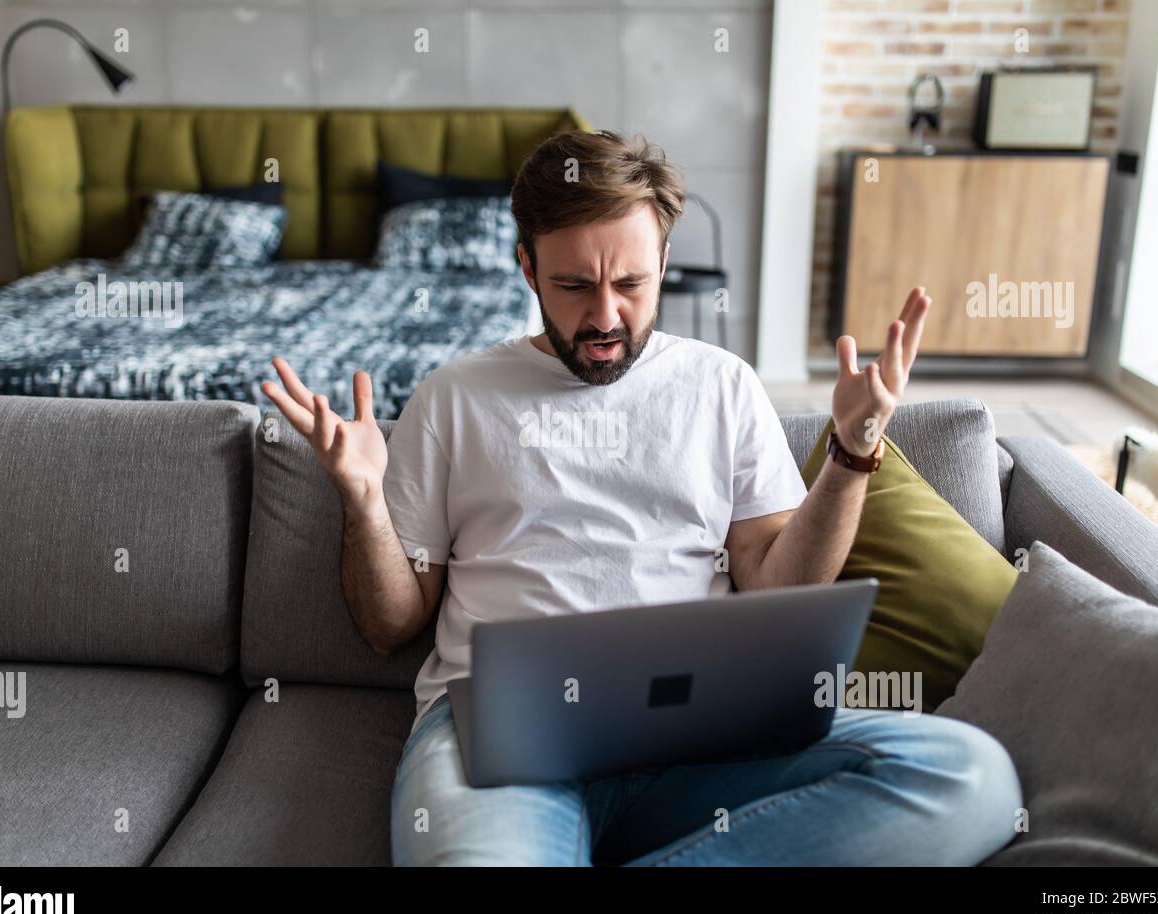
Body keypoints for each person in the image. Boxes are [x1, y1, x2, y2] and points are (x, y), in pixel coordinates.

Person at [261, 129, 1021, 866]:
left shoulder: (722, 386)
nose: (604, 317)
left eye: (630, 284)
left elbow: (778, 586)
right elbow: (389, 626)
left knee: (971, 777)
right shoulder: (452, 398)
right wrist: (363, 499)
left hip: (702, 731)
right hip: (505, 732)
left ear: (663, 261)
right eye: (572, 286)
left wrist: (854, 452)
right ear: (527, 268)